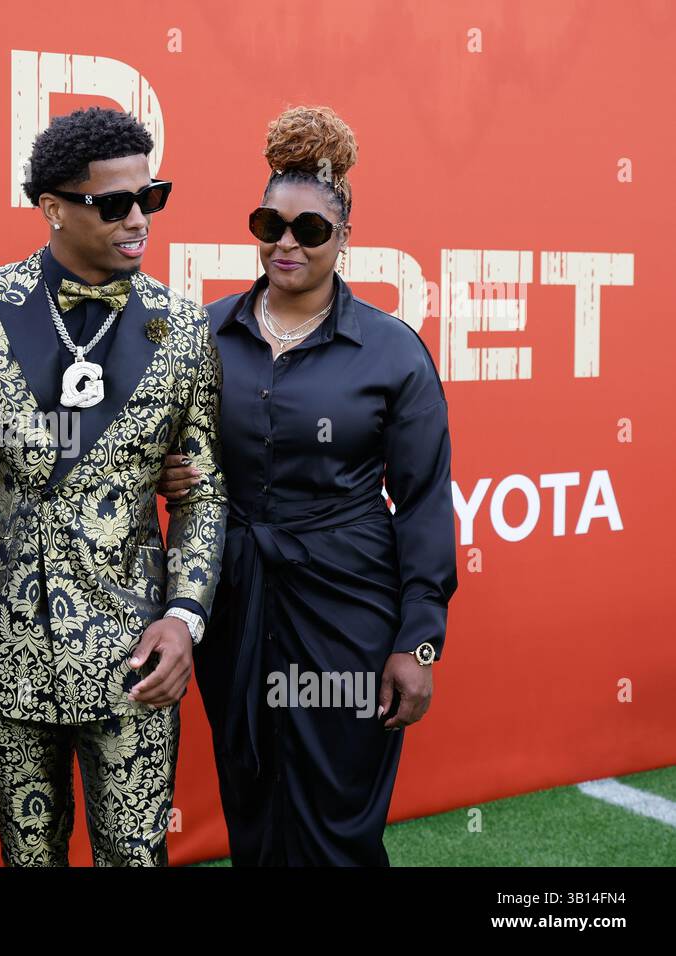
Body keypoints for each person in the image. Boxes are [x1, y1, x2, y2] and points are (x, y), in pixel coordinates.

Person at [0, 107, 226, 866]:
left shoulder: (185, 326)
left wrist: (184, 617)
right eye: (114, 204)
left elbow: (202, 492)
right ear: (53, 209)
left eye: (151, 196)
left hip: (136, 653)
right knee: (28, 858)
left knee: (136, 859)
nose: (139, 218)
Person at [159, 105, 457, 865]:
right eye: (270, 223)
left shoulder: (392, 352)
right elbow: (159, 444)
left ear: (344, 238)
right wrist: (167, 469)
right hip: (235, 597)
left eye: (310, 230)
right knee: (250, 790)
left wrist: (418, 644)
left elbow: (422, 500)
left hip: (349, 604)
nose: (285, 242)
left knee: (339, 807)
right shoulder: (203, 333)